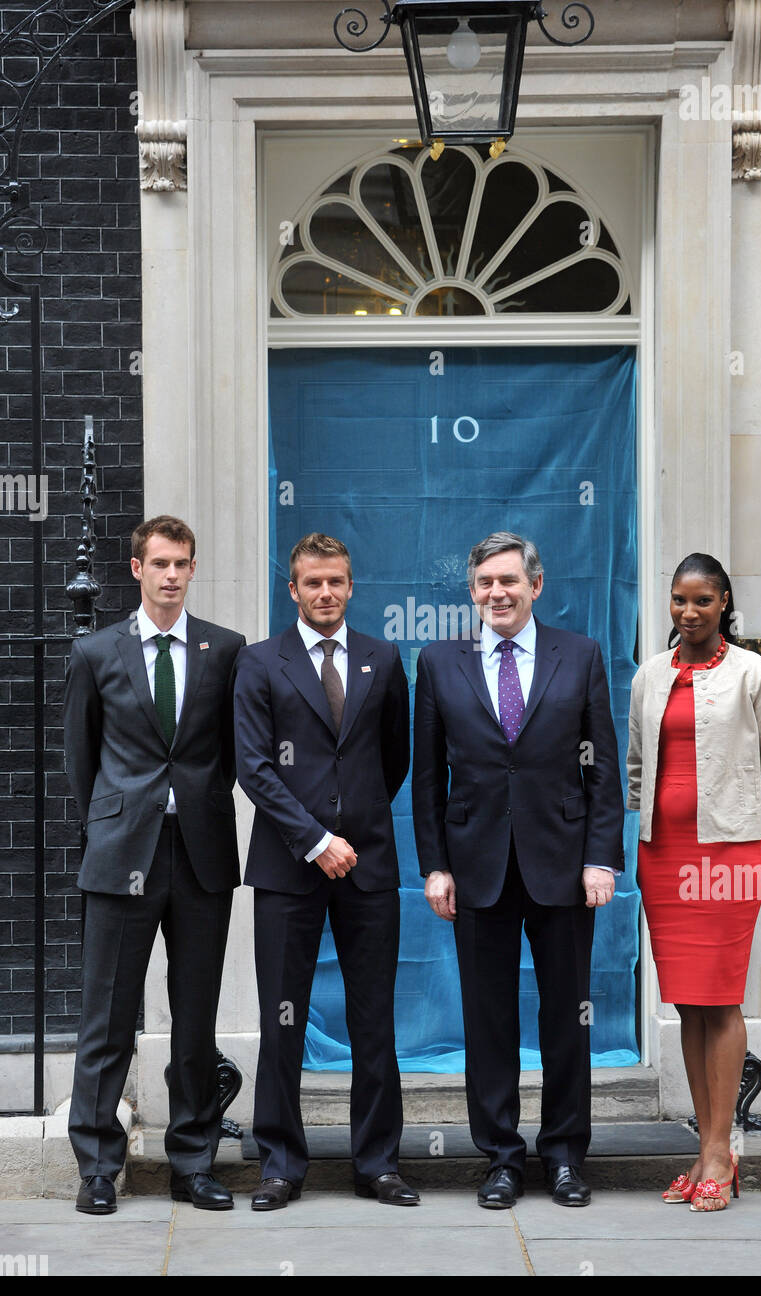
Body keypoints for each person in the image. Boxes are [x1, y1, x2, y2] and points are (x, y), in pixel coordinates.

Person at [412, 532, 625, 1210]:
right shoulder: (440, 664)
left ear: (536, 584)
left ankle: (564, 1156)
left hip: (563, 868)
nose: (497, 593)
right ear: (472, 592)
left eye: (509, 581)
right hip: (476, 869)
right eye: (484, 584)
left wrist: (600, 857)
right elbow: (425, 780)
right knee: (487, 1020)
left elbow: (603, 770)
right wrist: (435, 867)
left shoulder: (580, 655)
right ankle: (501, 1157)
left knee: (568, 1018)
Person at [64, 516, 246, 1214]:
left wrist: (194, 803)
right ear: (136, 569)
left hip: (199, 853)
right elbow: (83, 763)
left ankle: (194, 1163)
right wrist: (115, 819)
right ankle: (98, 1165)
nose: (172, 575)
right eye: (160, 563)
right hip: (122, 854)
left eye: (183, 564)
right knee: (106, 1017)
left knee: (195, 1017)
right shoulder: (95, 652)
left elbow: (228, 754)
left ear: (193, 571)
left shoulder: (223, 650)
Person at [233, 533, 415, 1208]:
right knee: (283, 1019)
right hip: (288, 869)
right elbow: (253, 768)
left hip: (367, 867)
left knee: (375, 1021)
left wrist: (353, 827)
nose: (326, 593)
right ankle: (280, 1164)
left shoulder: (383, 659)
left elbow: (392, 758)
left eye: (337, 581)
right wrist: (316, 839)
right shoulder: (259, 664)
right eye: (313, 583)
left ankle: (378, 1164)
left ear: (350, 584)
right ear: (293, 589)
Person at [628, 553, 761, 1211]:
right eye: (678, 600)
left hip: (727, 858)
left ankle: (722, 1156)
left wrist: (752, 854)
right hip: (664, 857)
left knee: (722, 1000)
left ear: (724, 601)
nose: (689, 612)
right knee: (688, 1004)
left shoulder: (758, 675)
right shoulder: (650, 674)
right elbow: (639, 769)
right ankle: (706, 1147)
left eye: (702, 600)